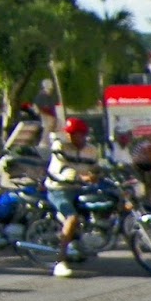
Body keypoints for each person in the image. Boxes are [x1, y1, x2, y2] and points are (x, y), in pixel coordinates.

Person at [45, 116, 101, 278]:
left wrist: (99, 173)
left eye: (76, 133)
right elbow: (61, 170)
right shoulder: (60, 146)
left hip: (80, 189)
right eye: (70, 133)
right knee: (72, 217)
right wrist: (81, 177)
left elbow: (96, 168)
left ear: (83, 134)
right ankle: (60, 261)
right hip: (59, 189)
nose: (71, 137)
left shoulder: (91, 150)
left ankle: (83, 241)